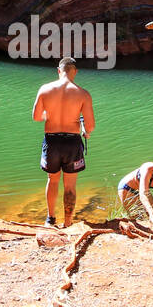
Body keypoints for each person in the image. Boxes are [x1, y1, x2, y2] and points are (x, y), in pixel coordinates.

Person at [32, 57, 95, 227]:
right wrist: (85, 131)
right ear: (75, 71)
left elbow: (37, 117)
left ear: (59, 70)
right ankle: (68, 223)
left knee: (52, 180)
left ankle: (50, 219)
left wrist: (49, 115)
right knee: (70, 185)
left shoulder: (45, 89)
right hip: (72, 143)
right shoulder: (83, 94)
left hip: (52, 141)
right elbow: (90, 126)